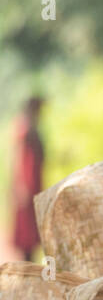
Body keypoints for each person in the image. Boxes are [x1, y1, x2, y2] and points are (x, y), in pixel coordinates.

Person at [10, 96, 45, 261]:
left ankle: (29, 268)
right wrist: (19, 185)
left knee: (32, 230)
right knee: (26, 232)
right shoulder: (24, 128)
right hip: (26, 185)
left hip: (34, 185)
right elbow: (18, 158)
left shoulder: (33, 128)